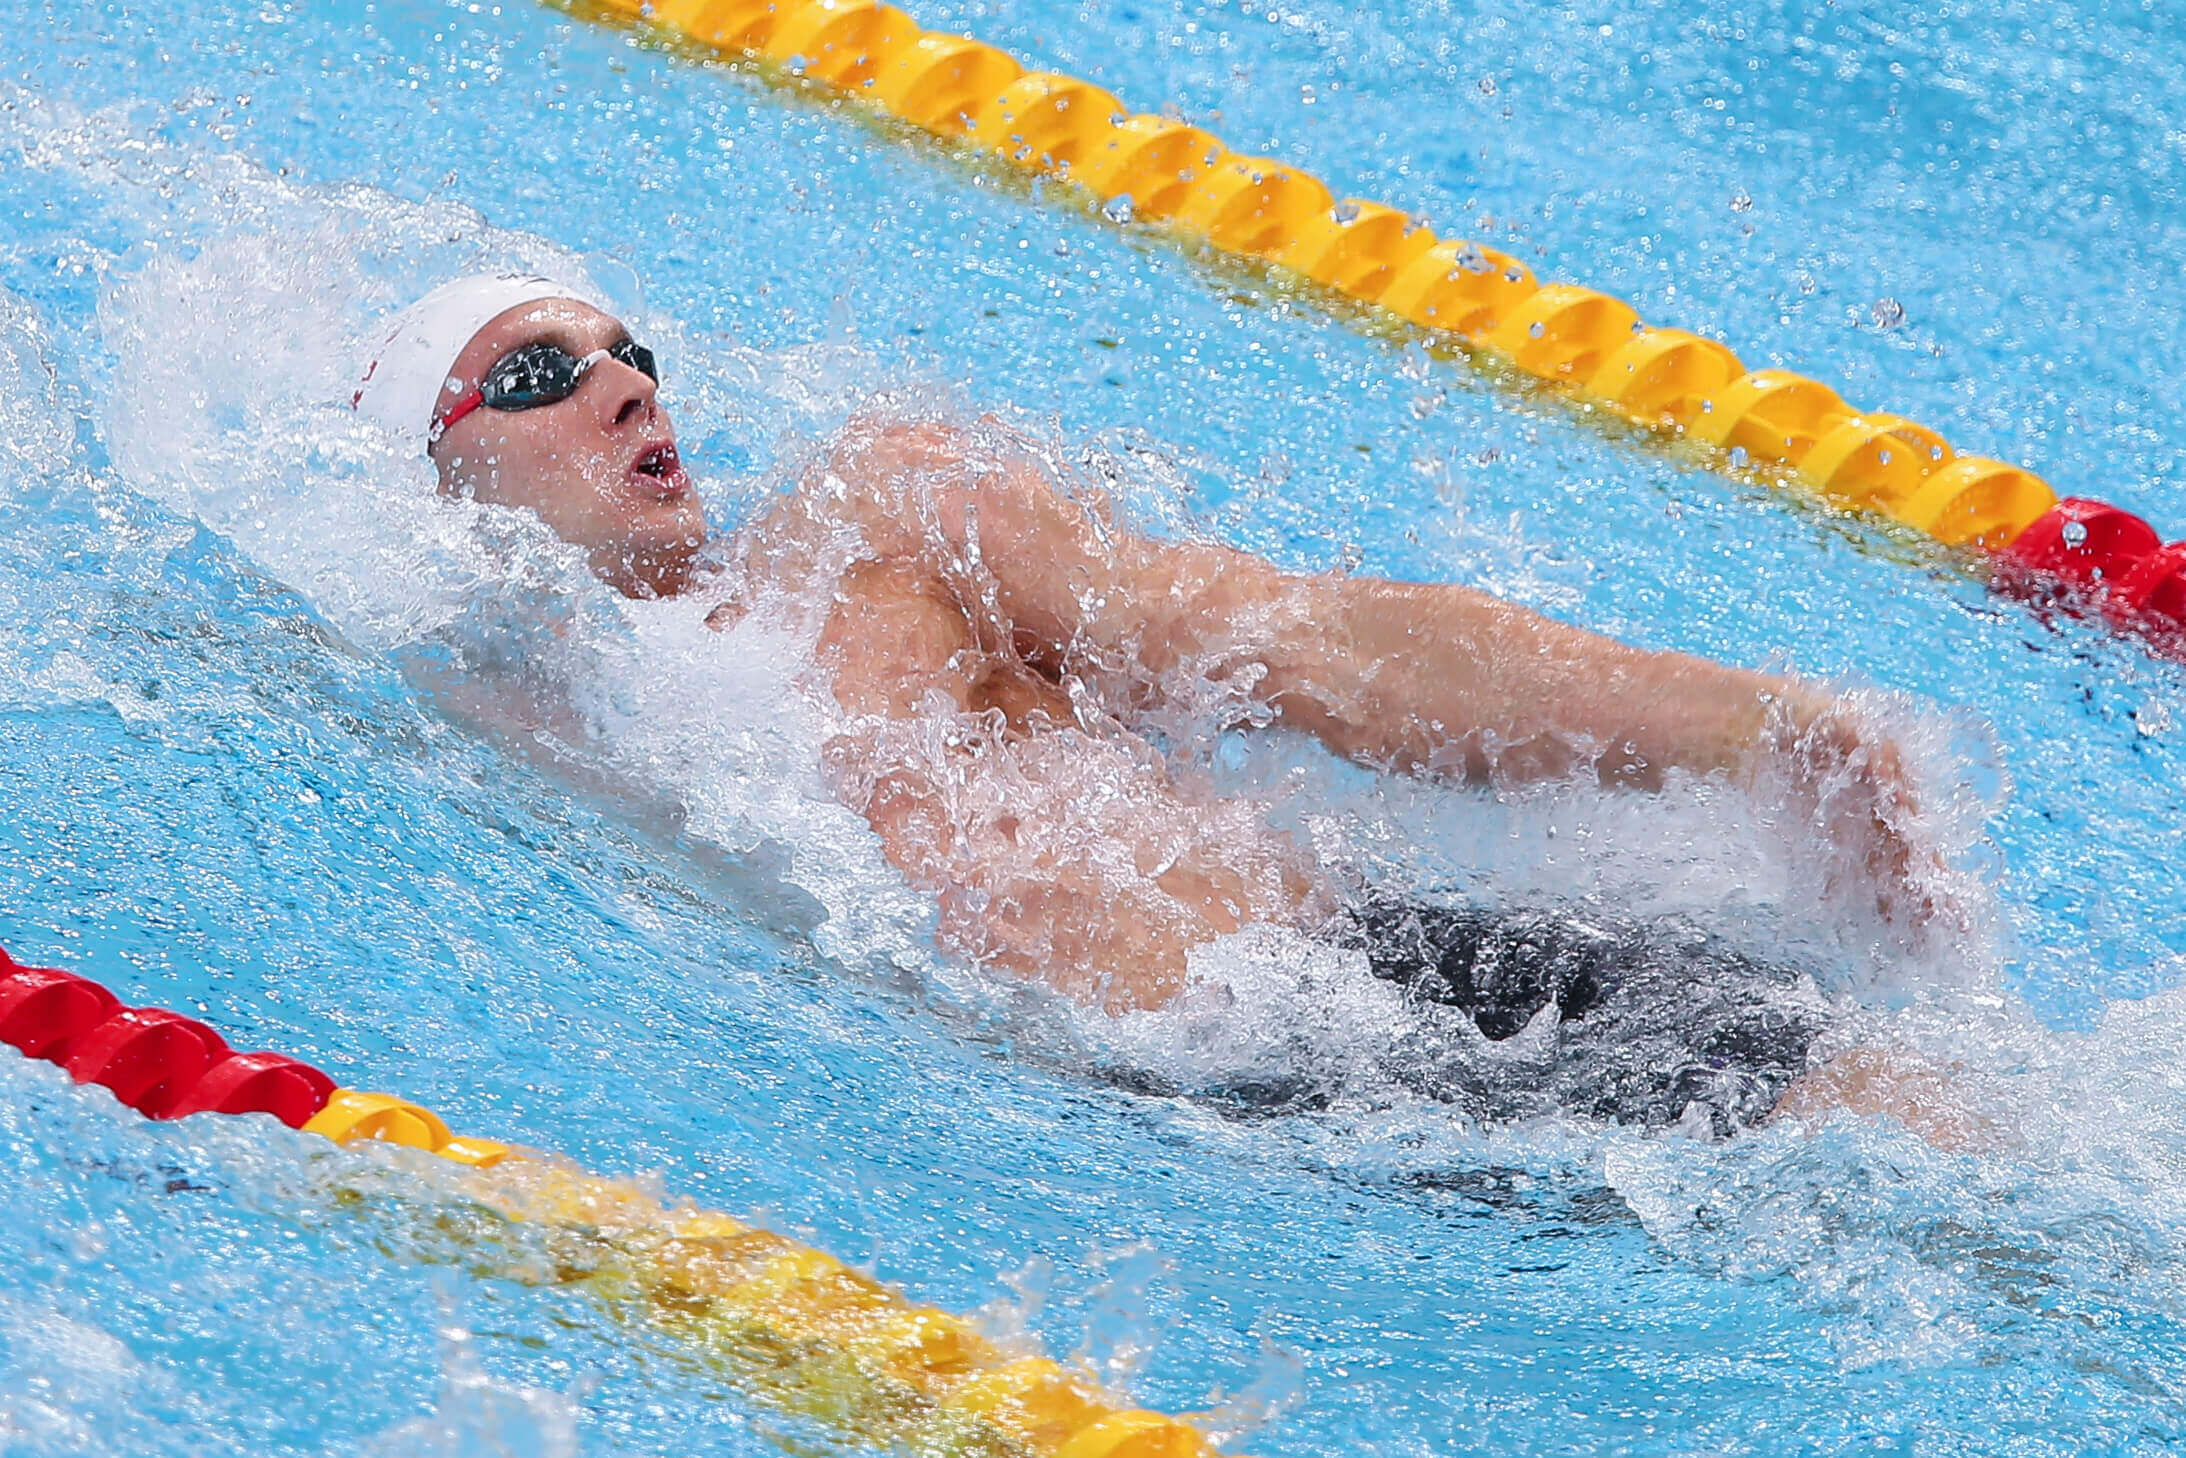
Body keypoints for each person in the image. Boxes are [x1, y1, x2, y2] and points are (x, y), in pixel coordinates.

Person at [356, 273, 1966, 1139]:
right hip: (1227, 1116)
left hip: (1386, 1006)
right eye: (533, 374)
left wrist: (1751, 726)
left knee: (1958, 1162)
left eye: (626, 346)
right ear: (435, 478)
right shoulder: (531, 724)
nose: (627, 383)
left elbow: (1293, 645)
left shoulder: (877, 529)